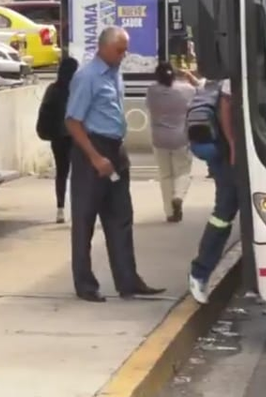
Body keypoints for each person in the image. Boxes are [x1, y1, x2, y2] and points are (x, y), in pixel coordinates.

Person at [65, 27, 165, 302]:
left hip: (116, 148)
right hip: (92, 149)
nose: (124, 55)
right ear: (103, 47)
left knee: (121, 216)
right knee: (85, 219)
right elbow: (73, 121)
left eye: (125, 50)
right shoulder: (87, 77)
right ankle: (85, 285)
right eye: (119, 50)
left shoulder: (114, 74)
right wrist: (95, 157)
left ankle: (128, 280)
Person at [188, 79, 238, 304]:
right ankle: (200, 273)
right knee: (224, 211)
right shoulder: (233, 72)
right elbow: (226, 105)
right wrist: (233, 145)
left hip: (241, 149)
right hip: (229, 153)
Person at [145, 62, 196, 223]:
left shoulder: (152, 91)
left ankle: (169, 212)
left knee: (165, 175)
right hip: (180, 137)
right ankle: (178, 197)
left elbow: (148, 106)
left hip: (159, 138)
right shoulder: (186, 89)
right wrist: (187, 76)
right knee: (183, 172)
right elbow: (199, 91)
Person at [37, 56, 79, 223]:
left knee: (61, 172)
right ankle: (78, 208)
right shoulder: (77, 89)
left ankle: (60, 209)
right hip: (76, 136)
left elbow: (45, 111)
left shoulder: (53, 89)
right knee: (78, 173)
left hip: (58, 136)